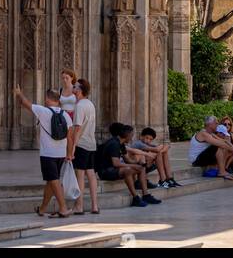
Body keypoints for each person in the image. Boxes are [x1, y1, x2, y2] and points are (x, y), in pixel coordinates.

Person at [13, 84, 74, 218]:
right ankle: (42, 209)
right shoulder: (66, 116)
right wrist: (69, 154)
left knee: (54, 180)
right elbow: (70, 137)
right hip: (61, 154)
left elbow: (25, 103)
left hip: (48, 154)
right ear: (59, 100)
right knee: (51, 182)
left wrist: (19, 93)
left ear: (47, 99)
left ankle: (63, 208)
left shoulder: (43, 111)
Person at [95, 123, 161, 207]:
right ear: (127, 135)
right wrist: (133, 166)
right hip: (106, 171)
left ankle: (146, 195)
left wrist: (138, 164)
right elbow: (116, 163)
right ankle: (135, 198)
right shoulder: (114, 144)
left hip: (114, 169)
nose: (132, 137)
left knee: (141, 168)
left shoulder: (121, 144)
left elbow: (127, 160)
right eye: (131, 135)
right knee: (128, 170)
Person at [67, 77, 99, 214]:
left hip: (82, 144)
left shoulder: (80, 106)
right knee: (91, 174)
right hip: (91, 143)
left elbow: (77, 128)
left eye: (75, 86)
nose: (73, 88)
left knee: (80, 174)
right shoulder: (90, 104)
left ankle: (79, 206)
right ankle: (94, 206)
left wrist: (72, 147)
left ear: (79, 90)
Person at [187, 115, 233, 182]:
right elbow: (220, 144)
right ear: (210, 124)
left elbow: (223, 141)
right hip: (196, 160)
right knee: (219, 146)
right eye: (216, 123)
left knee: (227, 148)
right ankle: (221, 172)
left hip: (203, 157)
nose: (218, 124)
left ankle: (223, 170)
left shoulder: (210, 133)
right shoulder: (203, 133)